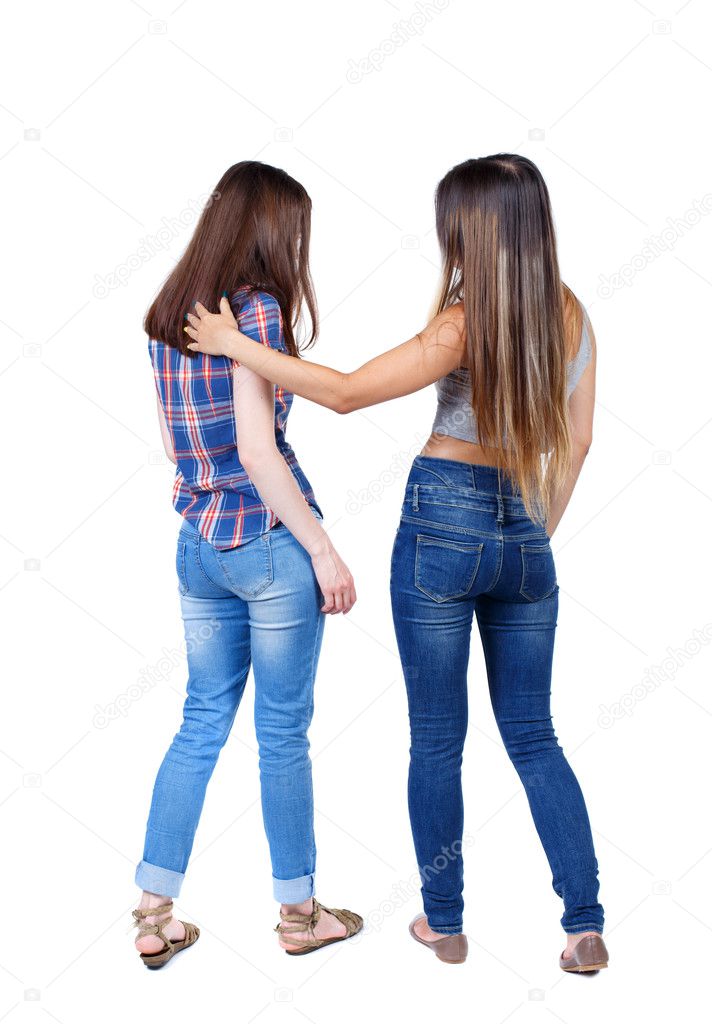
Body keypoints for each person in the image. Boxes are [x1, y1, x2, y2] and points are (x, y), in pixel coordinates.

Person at [185, 154, 608, 974]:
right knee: (535, 736)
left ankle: (443, 923)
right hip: (525, 525)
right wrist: (529, 536)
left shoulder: (461, 319)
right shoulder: (574, 316)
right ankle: (583, 925)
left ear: (474, 228)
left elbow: (343, 393)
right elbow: (580, 439)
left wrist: (240, 345)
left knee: (436, 741)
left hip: (442, 518)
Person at [132, 161, 362, 970]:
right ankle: (300, 917)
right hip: (267, 543)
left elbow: (175, 444)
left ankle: (154, 915)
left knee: (200, 722)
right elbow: (261, 453)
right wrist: (324, 550)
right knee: (281, 733)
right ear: (270, 228)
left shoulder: (174, 309)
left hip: (197, 544)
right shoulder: (256, 312)